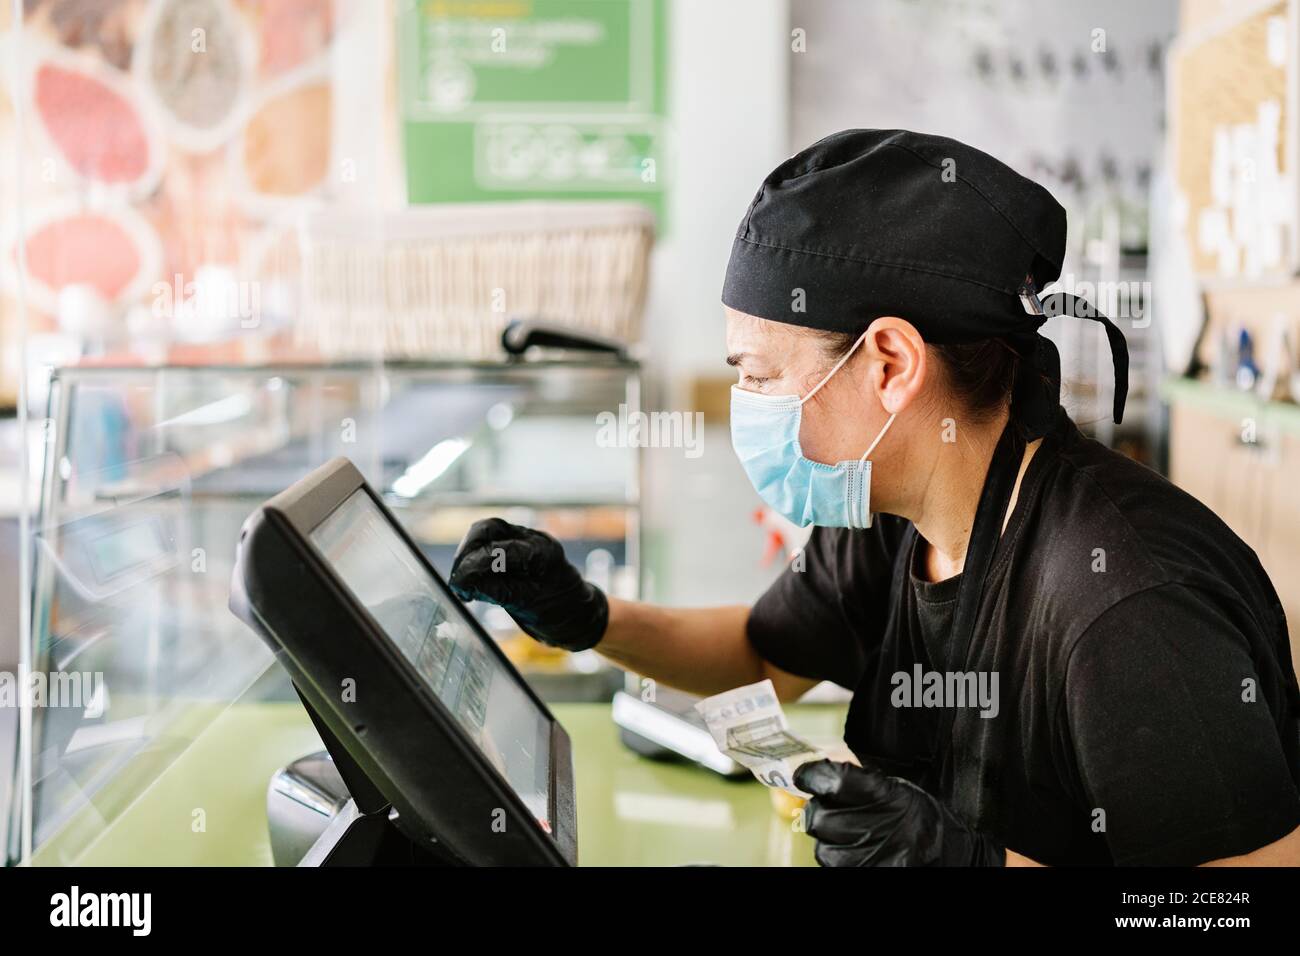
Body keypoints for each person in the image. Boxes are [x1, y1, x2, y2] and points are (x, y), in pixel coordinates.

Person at [450, 129, 1300, 866]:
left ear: (889, 363)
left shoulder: (1123, 600)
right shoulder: (893, 511)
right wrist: (587, 618)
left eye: (761, 377)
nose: (750, 407)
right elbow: (762, 659)